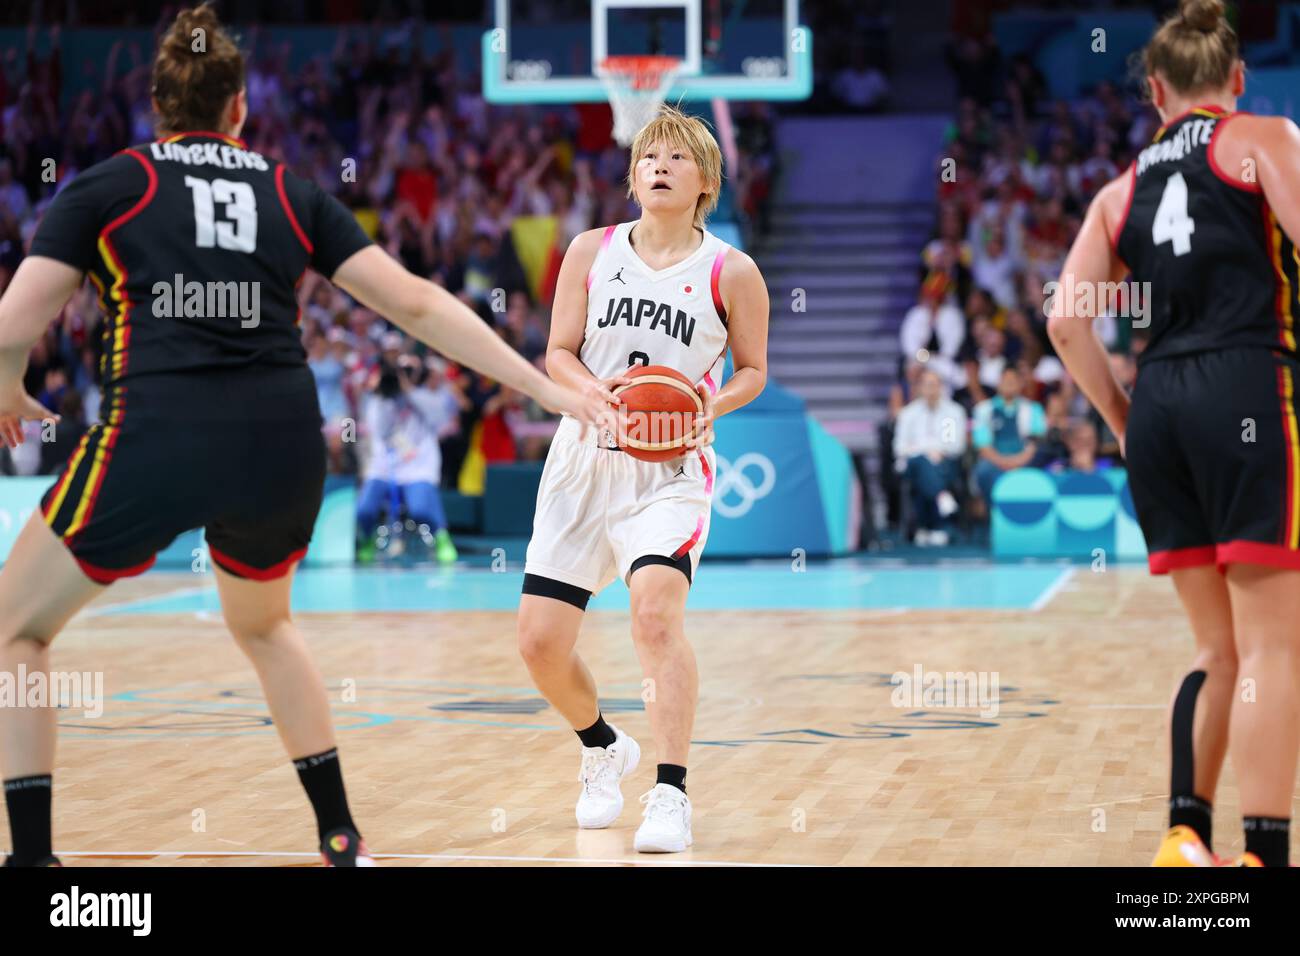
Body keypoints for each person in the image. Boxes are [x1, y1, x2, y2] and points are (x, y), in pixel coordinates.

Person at [0, 4, 609, 869]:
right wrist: (545, 387)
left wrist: (8, 386)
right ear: (240, 108)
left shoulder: (107, 185)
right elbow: (416, 303)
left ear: (157, 105)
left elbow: (12, 324)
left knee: (16, 630)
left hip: (159, 431)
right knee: (265, 628)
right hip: (281, 444)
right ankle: (341, 837)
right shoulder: (289, 191)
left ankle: (33, 862)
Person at [1047, 0, 1300, 866]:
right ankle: (1264, 855)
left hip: (1159, 406)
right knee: (1272, 646)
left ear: (1155, 90)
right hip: (1249, 383)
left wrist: (1123, 418)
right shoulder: (1264, 139)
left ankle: (1185, 838)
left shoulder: (1117, 193)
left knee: (1214, 647)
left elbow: (1066, 322)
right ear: (1237, 79)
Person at [516, 105, 769, 853]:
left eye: (676, 157)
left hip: (670, 467)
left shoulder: (732, 271)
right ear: (633, 177)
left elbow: (753, 369)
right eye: (649, 156)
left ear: (705, 181)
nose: (659, 165)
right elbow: (558, 352)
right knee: (539, 645)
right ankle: (602, 745)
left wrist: (709, 404)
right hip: (584, 457)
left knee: (655, 617)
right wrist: (588, 391)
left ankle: (671, 792)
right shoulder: (590, 250)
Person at [892, 368, 967, 546]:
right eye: (926, 385)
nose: (930, 389)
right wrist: (926, 451)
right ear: (919, 387)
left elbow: (954, 445)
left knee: (929, 470)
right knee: (921, 463)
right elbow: (900, 447)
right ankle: (941, 504)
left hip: (944, 462)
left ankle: (925, 527)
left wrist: (936, 451)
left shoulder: (951, 413)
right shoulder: (909, 414)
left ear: (941, 387)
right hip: (914, 463)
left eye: (934, 385)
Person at [970, 365, 1045, 503]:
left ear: (1020, 384)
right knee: (983, 471)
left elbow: (1035, 442)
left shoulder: (1033, 409)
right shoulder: (983, 409)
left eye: (1013, 381)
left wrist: (1018, 462)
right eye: (1006, 380)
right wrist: (1004, 462)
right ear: (998, 383)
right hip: (994, 459)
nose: (1009, 384)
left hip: (1025, 459)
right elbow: (983, 444)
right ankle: (992, 510)